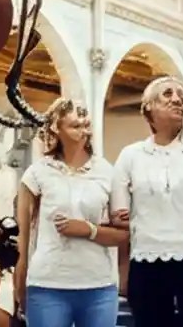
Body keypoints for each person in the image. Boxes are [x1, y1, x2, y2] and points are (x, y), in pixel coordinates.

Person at [110, 75, 183, 326]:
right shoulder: (130, 155)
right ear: (148, 107)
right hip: (147, 262)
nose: (178, 99)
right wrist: (123, 272)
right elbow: (120, 218)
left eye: (181, 95)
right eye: (167, 94)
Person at [15, 97, 127, 327]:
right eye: (75, 126)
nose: (84, 131)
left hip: (99, 286)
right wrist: (20, 277)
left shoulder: (108, 171)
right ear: (56, 129)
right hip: (47, 286)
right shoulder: (36, 173)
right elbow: (23, 238)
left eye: (86, 125)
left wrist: (88, 230)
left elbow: (125, 234)